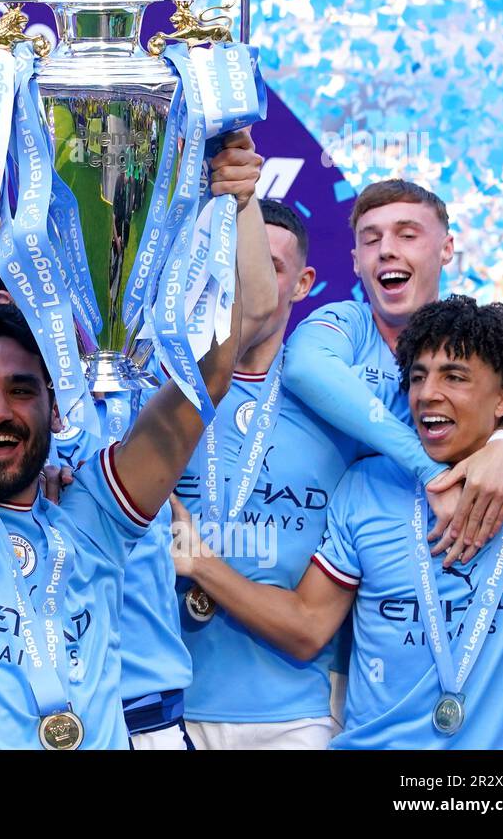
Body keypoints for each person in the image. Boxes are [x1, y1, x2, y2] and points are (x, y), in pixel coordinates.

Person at [0, 143, 258, 749]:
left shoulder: (92, 514)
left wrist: (223, 208)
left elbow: (207, 375)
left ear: (56, 404)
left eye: (21, 390)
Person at [174, 295, 503, 749]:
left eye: (454, 377)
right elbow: (307, 625)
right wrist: (201, 564)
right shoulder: (367, 484)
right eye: (418, 377)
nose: (427, 394)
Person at [50, 140, 277, 751]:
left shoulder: (147, 369)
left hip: (143, 704)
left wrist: (237, 198)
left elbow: (251, 309)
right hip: (22, 703)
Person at [168, 200, 364, 748]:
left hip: (294, 718)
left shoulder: (339, 403)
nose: (244, 284)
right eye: (230, 266)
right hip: (161, 710)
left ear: (302, 283)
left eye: (267, 268)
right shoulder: (160, 393)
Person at [284, 180, 503, 562]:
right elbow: (303, 368)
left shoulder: (480, 339)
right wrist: (427, 467)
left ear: (447, 249)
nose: (387, 251)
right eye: (370, 240)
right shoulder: (346, 321)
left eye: (407, 235)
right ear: (355, 261)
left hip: (428, 567)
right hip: (319, 564)